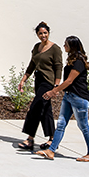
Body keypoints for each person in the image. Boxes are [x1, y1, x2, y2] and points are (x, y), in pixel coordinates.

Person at [36, 35, 89, 162]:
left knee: (83, 126)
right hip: (69, 96)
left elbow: (69, 81)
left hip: (79, 98)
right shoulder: (72, 60)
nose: (64, 46)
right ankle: (51, 151)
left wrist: (54, 91)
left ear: (72, 47)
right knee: (61, 124)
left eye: (66, 44)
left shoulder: (78, 62)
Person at [15, 21, 63, 152]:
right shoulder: (37, 47)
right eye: (40, 33)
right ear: (37, 34)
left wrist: (56, 86)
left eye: (45, 33)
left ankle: (30, 139)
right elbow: (32, 64)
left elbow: (59, 67)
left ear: (49, 33)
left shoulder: (55, 48)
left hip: (48, 82)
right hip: (38, 80)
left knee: (35, 107)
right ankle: (52, 139)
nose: (43, 35)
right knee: (46, 110)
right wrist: (23, 80)